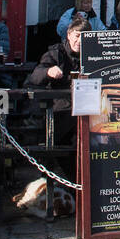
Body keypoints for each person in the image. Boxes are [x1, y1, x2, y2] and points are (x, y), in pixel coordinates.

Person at [26, 16, 86, 145]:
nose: (80, 41)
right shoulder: (56, 53)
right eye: (77, 36)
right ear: (69, 35)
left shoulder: (93, 55)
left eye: (84, 37)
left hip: (85, 104)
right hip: (60, 105)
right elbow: (35, 76)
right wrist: (48, 71)